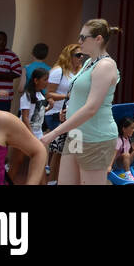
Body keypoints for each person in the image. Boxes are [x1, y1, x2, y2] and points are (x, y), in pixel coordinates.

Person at [40, 19, 121, 185]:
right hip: (77, 134)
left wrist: (54, 133)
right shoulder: (88, 63)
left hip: (96, 138)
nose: (79, 41)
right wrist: (69, 112)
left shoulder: (105, 65)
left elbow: (91, 108)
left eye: (83, 37)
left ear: (98, 39)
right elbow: (81, 98)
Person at [44, 42, 80, 184]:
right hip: (55, 114)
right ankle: (52, 180)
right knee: (58, 151)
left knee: (68, 151)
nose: (80, 58)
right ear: (69, 56)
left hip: (72, 115)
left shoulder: (79, 71)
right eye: (78, 55)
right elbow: (48, 94)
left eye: (82, 55)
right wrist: (67, 96)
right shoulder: (58, 71)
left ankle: (61, 180)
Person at [10, 68, 49, 183]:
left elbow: (37, 114)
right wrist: (31, 135)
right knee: (17, 162)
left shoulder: (41, 95)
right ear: (36, 80)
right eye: (45, 79)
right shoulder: (27, 95)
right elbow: (25, 117)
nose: (47, 82)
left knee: (40, 163)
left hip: (37, 132)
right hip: (25, 133)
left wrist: (48, 108)